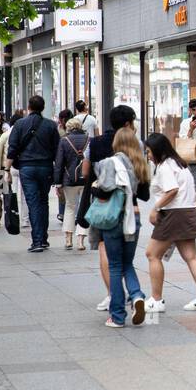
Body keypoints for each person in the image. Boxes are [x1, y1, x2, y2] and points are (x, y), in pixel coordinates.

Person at [78, 105, 138, 313]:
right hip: (130, 206)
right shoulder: (134, 144)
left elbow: (86, 172)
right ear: (128, 123)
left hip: (104, 205)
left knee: (106, 251)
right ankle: (134, 294)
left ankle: (113, 296)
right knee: (126, 259)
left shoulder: (94, 143)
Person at [143, 133, 196, 312]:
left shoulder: (166, 166)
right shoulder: (179, 163)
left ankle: (156, 300)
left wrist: (155, 208)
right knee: (191, 256)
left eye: (149, 151)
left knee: (152, 254)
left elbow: (171, 190)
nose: (148, 155)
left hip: (173, 214)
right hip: (187, 212)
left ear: (158, 150)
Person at [95, 126, 151, 328]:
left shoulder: (110, 163)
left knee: (115, 266)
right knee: (128, 263)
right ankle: (136, 296)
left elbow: (103, 191)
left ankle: (118, 316)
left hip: (114, 218)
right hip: (133, 217)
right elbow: (145, 196)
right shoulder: (140, 164)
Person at [7, 95, 60, 253]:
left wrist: (6, 170)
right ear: (43, 108)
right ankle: (43, 238)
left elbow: (12, 148)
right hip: (45, 167)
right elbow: (57, 150)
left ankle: (37, 240)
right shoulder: (51, 125)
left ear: (28, 107)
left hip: (27, 168)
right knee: (43, 202)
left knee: (33, 203)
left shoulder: (19, 124)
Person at [54, 116, 89, 249]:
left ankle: (68, 239)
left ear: (68, 127)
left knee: (70, 207)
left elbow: (59, 163)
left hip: (69, 179)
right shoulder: (88, 140)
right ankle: (81, 241)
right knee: (83, 208)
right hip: (85, 179)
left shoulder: (64, 141)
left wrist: (58, 183)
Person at [55, 109, 73, 228]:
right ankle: (69, 213)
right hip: (73, 162)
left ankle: (62, 212)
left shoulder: (59, 130)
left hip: (61, 161)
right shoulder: (73, 129)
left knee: (61, 189)